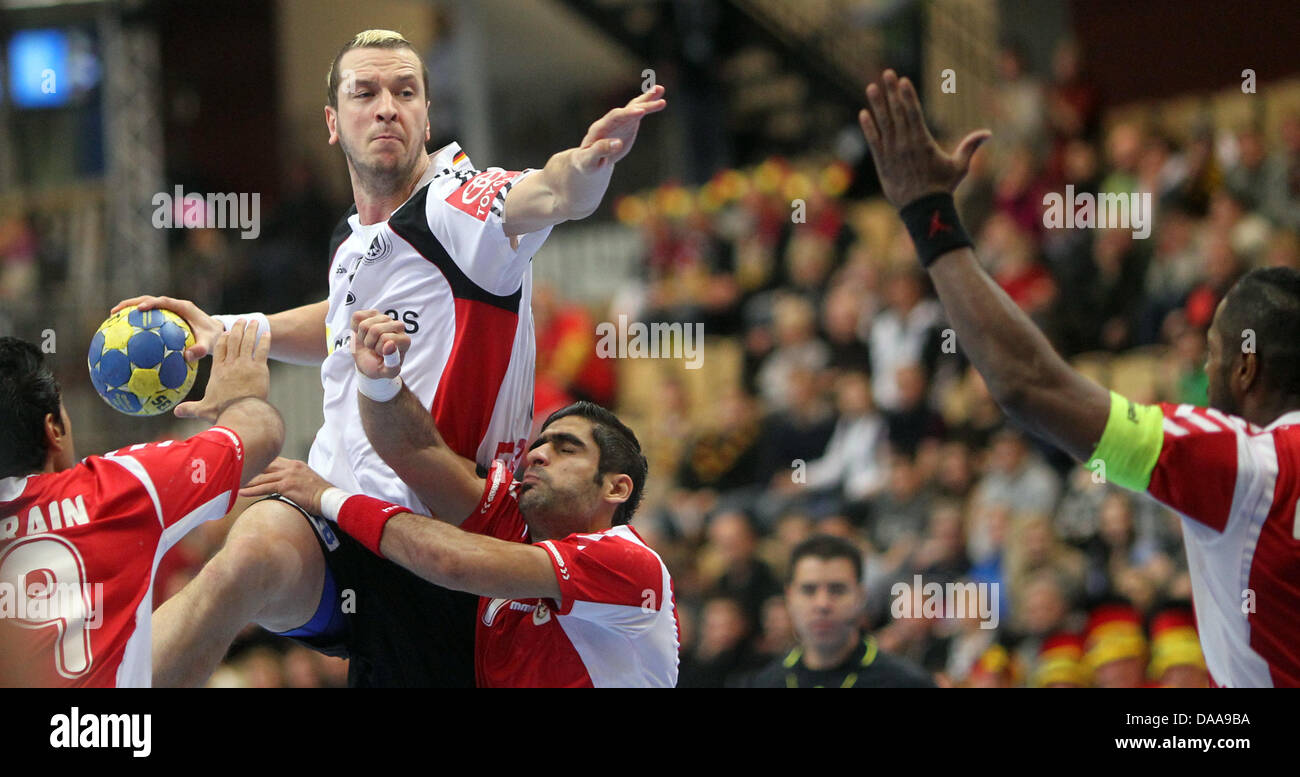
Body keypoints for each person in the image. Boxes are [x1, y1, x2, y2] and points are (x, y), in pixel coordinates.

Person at [120, 30, 666, 687]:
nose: (387, 107)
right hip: (336, 527)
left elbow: (550, 194)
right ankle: (106, 711)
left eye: (405, 92)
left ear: (427, 115)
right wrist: (238, 328)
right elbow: (335, 322)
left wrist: (589, 164)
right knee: (247, 557)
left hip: (440, 543)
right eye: (366, 92)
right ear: (333, 122)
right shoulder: (351, 239)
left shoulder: (459, 204)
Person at [857, 68, 1300, 686]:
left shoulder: (1241, 463)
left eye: (1215, 353)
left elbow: (1025, 385)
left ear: (1247, 368)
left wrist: (928, 214)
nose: (1204, 366)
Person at [239, 311, 678, 687]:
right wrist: (379, 381)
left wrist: (327, 497)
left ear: (615, 488)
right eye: (540, 443)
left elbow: (453, 563)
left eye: (566, 449)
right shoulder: (516, 522)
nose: (538, 454)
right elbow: (419, 453)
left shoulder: (630, 563)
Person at [0, 322, 282, 687]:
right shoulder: (119, 486)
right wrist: (239, 396)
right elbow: (261, 433)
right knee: (255, 548)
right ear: (53, 429)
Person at [744, 534, 936, 687]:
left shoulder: (906, 682)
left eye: (837, 589)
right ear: (790, 596)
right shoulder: (767, 682)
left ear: (861, 596)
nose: (822, 604)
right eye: (809, 590)